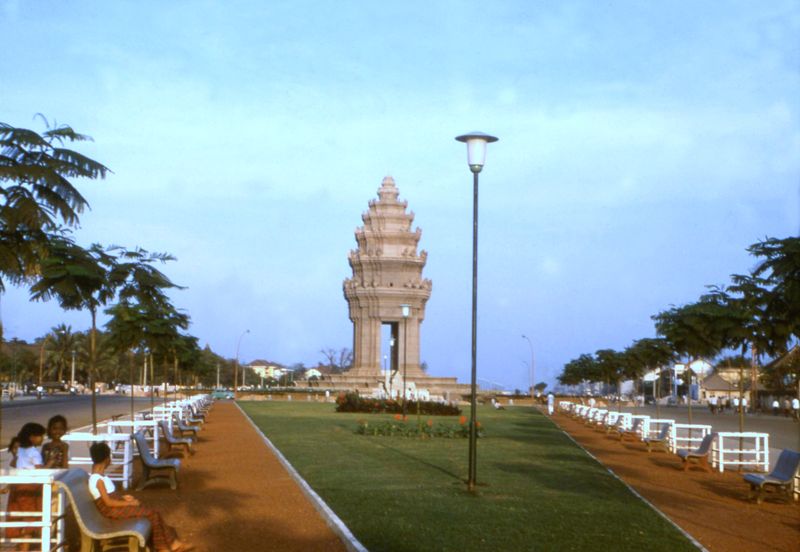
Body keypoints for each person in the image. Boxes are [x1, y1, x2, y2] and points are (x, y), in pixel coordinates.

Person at [89, 442, 193, 552]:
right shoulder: (98, 480)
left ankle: (173, 543)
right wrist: (129, 503)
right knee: (152, 514)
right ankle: (164, 547)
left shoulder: (99, 476)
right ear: (106, 459)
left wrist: (124, 498)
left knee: (150, 511)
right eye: (109, 457)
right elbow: (108, 502)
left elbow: (109, 496)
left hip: (113, 507)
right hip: (111, 511)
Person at [6, 423, 55, 549]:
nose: (43, 439)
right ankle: (25, 548)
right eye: (41, 436)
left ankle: (21, 544)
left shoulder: (21, 450)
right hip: (31, 488)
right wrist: (50, 463)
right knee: (31, 518)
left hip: (19, 486)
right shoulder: (34, 452)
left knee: (21, 516)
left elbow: (15, 464)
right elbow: (39, 470)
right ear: (32, 437)